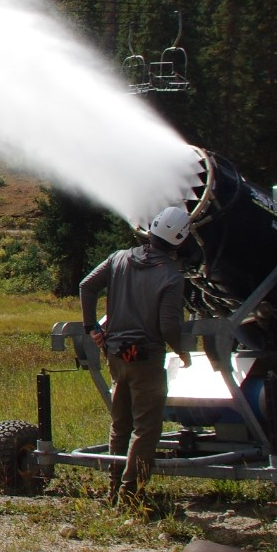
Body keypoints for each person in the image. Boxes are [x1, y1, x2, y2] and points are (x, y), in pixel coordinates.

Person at [79, 205, 194, 508]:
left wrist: (92, 326)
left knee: (120, 424)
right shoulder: (171, 276)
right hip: (146, 359)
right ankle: (132, 496)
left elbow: (87, 286)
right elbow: (168, 326)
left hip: (116, 354)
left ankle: (114, 489)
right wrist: (183, 350)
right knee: (146, 429)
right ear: (180, 240)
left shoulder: (119, 258)